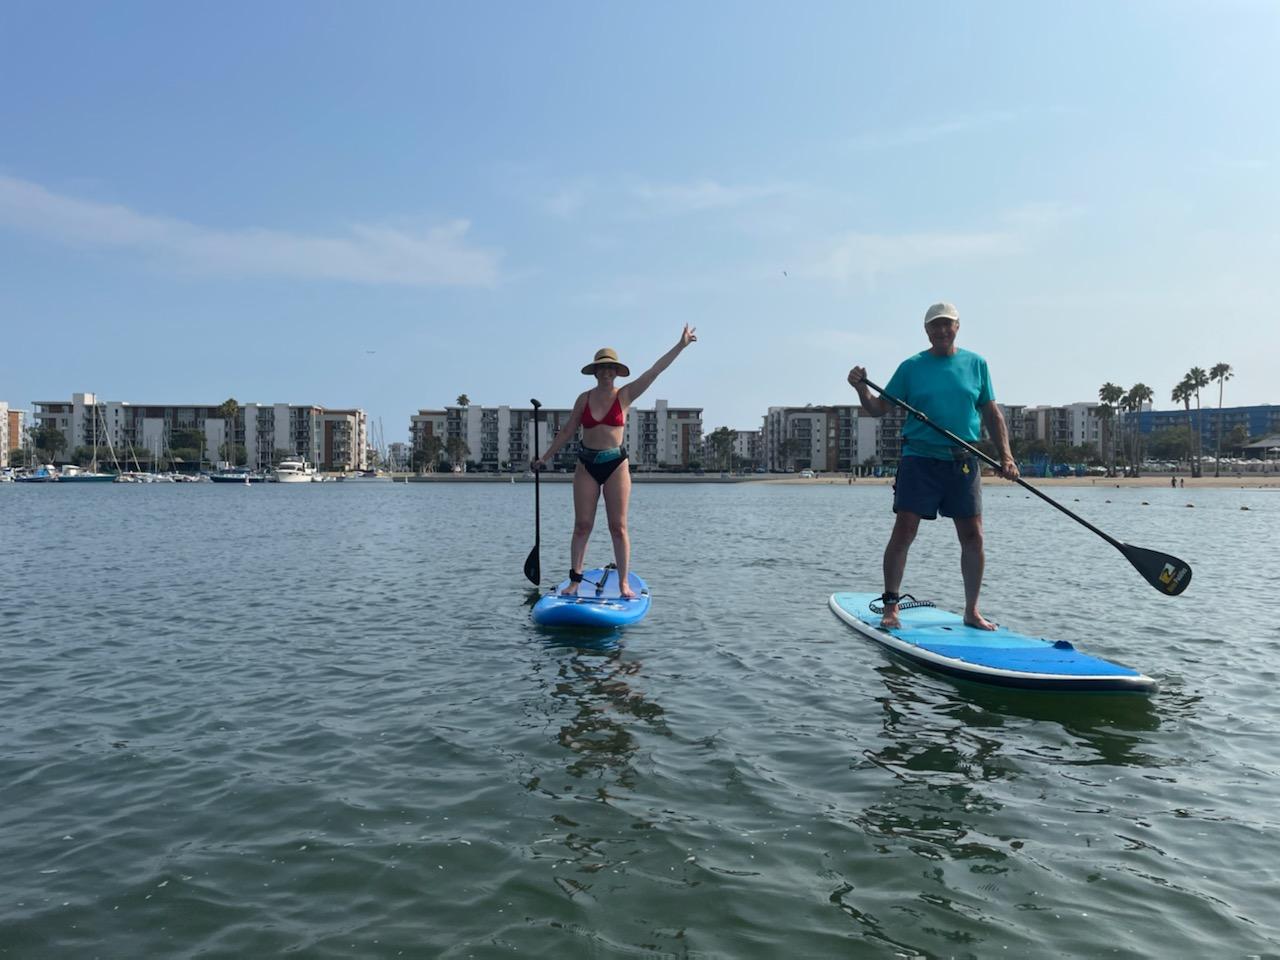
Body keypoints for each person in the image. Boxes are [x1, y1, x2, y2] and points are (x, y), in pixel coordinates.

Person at [848, 302, 1018, 631]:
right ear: (926, 331)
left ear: (957, 326)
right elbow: (877, 409)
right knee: (904, 531)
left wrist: (1006, 457)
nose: (941, 331)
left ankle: (971, 611)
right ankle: (891, 607)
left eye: (947, 324)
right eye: (934, 326)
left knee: (974, 536)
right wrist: (861, 388)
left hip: (963, 462)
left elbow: (992, 415)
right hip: (920, 460)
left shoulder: (977, 364)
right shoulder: (911, 368)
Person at [533, 325, 697, 597]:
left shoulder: (625, 395)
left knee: (617, 527)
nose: (606, 373)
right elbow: (567, 430)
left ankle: (622, 583)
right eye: (602, 369)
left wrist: (681, 345)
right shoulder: (583, 399)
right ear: (595, 372)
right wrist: (544, 458)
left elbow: (655, 370)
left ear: (616, 372)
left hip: (615, 466)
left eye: (611, 369)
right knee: (582, 525)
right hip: (586, 464)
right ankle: (575, 579)